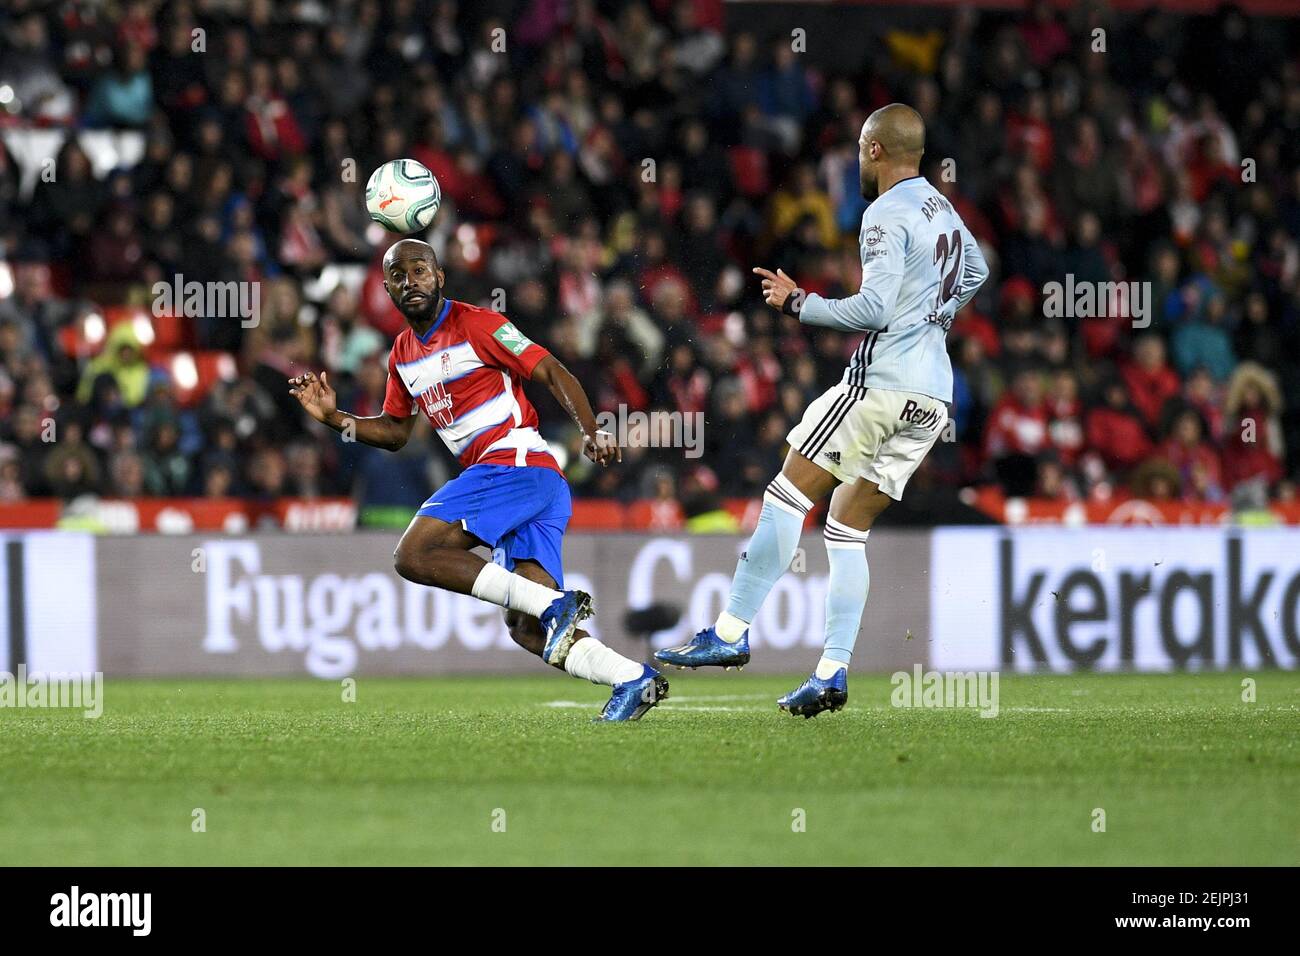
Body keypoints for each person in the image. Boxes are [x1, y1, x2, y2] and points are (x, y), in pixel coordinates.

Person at [656, 104, 988, 717]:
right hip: (931, 397)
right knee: (845, 526)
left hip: (882, 384)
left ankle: (729, 634)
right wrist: (932, 320)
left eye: (861, 150)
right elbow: (976, 270)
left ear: (875, 151)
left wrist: (797, 303)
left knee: (787, 493)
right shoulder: (942, 208)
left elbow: (873, 309)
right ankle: (831, 673)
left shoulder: (884, 213)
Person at [290, 238, 667, 721]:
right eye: (399, 276)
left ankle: (555, 605)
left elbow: (550, 370)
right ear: (386, 289)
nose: (411, 282)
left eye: (420, 271)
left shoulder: (480, 324)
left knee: (414, 553)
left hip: (516, 462)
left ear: (440, 276)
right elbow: (393, 432)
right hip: (523, 483)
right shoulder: (402, 355)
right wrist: (332, 417)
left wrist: (591, 430)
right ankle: (634, 679)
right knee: (526, 628)